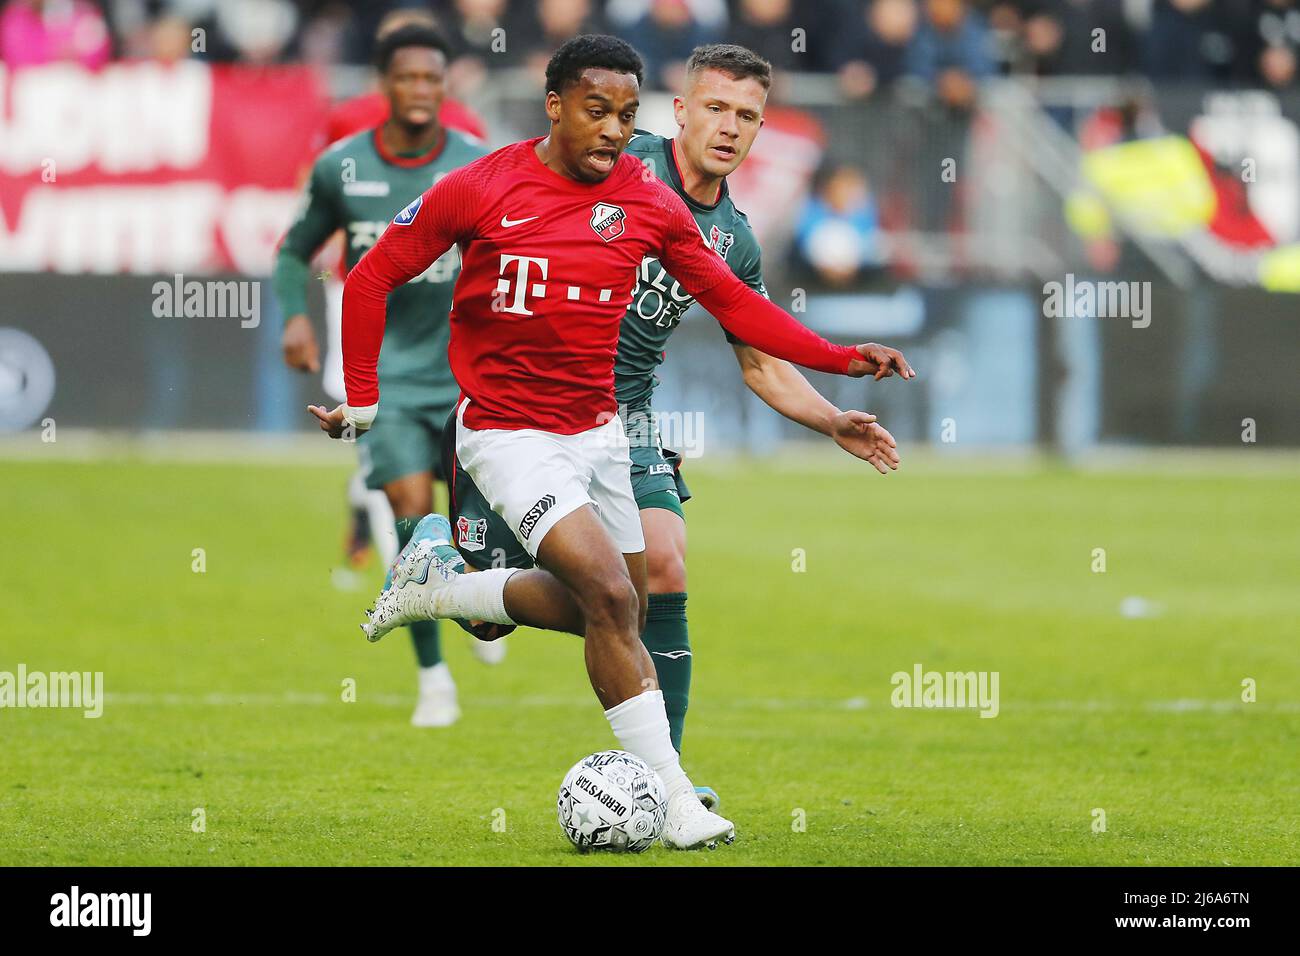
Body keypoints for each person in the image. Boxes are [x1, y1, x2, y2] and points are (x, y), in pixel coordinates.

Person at [311, 35, 914, 850]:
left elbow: (743, 316)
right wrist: (367, 399)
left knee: (629, 597)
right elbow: (376, 272)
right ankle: (671, 796)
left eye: (749, 116)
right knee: (593, 602)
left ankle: (448, 596)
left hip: (607, 425)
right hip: (506, 428)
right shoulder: (500, 184)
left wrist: (840, 369)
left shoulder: (682, 216)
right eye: (717, 109)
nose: (611, 129)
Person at [273, 24, 496, 729]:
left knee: (475, 530)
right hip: (387, 380)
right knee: (412, 523)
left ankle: (482, 604)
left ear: (446, 84)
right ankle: (434, 679)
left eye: (434, 78)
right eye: (408, 78)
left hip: (468, 375)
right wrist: (295, 316)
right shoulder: (341, 167)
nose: (422, 90)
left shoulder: (476, 164)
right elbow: (292, 251)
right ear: (384, 85)